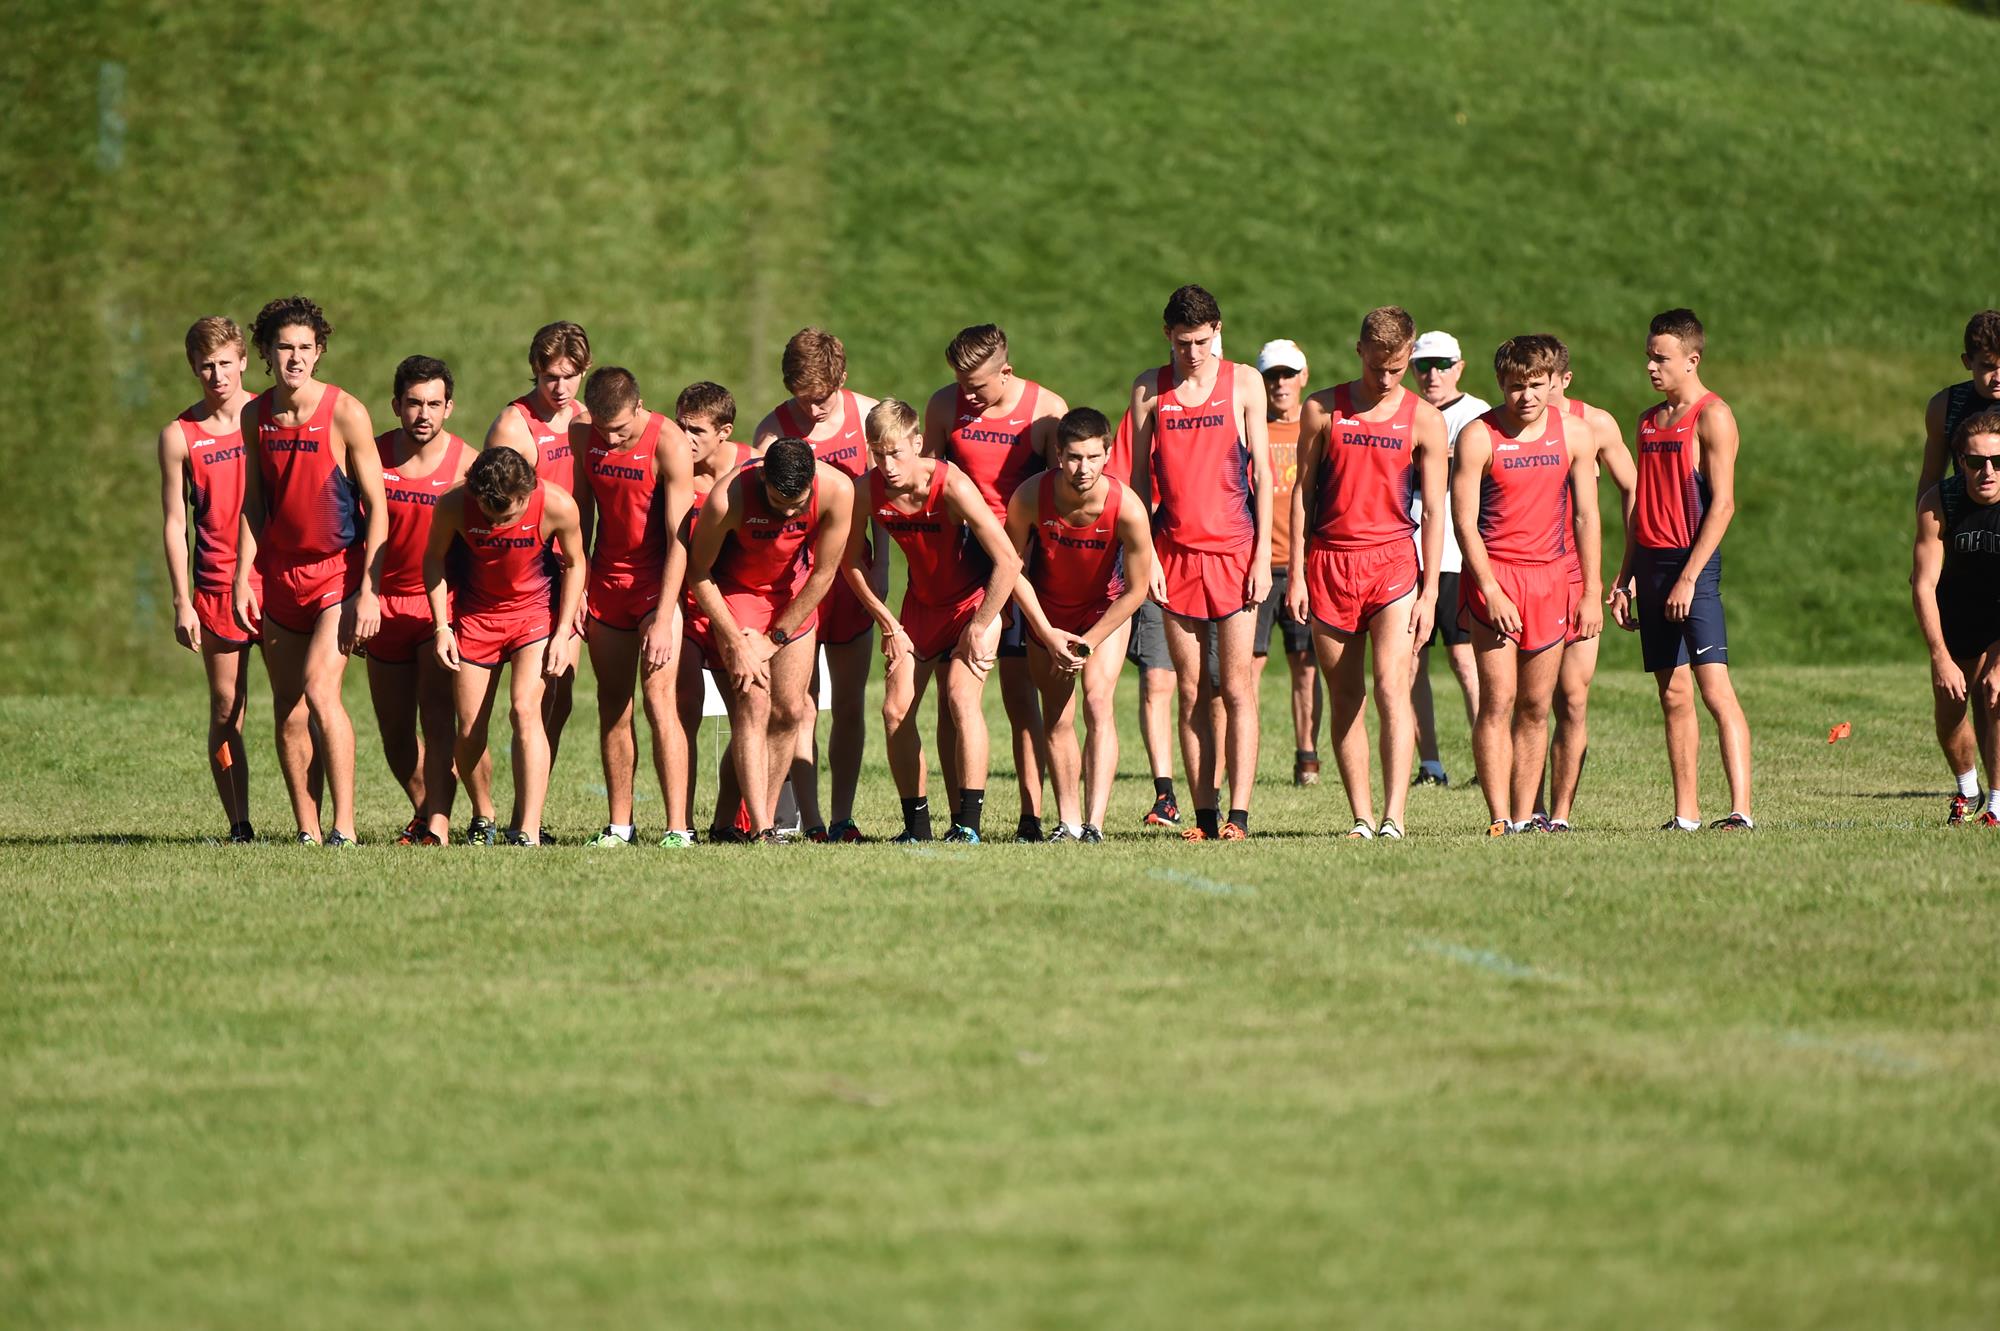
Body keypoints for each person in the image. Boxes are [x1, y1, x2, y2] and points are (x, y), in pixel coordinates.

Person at [1288, 307, 1448, 840]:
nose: (1385, 378)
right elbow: (1302, 493)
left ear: (1409, 356)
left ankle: (1393, 817)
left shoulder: (1424, 419)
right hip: (1330, 562)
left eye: (1397, 368)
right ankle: (1361, 816)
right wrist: (1296, 575)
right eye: (1377, 367)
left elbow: (1435, 511)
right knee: (1345, 694)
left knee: (1391, 688)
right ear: (1359, 351)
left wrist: (1430, 592)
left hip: (1393, 563)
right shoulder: (1322, 409)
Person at [234, 296, 386, 846]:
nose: (295, 358)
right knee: (288, 710)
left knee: (321, 690)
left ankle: (344, 827)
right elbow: (254, 503)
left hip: (337, 576)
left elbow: (379, 509)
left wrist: (370, 590)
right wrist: (243, 576)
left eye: (305, 347)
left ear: (319, 351)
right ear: (266, 353)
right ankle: (308, 830)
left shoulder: (346, 412)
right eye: (284, 348)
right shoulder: (255, 416)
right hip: (281, 579)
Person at [1130, 284, 1273, 841]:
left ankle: (1239, 816)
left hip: (1236, 554)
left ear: (1218, 331)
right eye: (1183, 342)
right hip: (1175, 557)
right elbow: (1138, 487)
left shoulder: (1245, 382)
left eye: (1202, 340)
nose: (1193, 353)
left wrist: (1262, 556)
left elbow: (1264, 476)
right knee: (1190, 691)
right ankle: (1204, 817)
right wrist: (1147, 559)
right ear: (1167, 335)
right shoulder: (1149, 389)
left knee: (1236, 688)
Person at [848, 399, 1021, 843]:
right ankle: (917, 827)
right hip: (919, 609)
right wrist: (888, 624)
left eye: (895, 452)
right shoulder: (866, 490)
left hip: (972, 604)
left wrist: (980, 626)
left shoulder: (952, 485)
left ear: (917, 443)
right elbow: (848, 562)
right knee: (894, 710)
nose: (887, 465)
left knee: (961, 699)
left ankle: (968, 825)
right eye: (877, 453)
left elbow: (1008, 560)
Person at [1453, 334, 1603, 836]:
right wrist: (1490, 589)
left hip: (1551, 579)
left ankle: (1525, 817)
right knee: (1498, 701)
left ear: (1553, 381)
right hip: (1496, 576)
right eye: (1517, 386)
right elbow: (1464, 522)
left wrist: (1590, 591)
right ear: (1501, 383)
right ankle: (1500, 817)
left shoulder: (1575, 434)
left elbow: (1586, 517)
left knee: (1537, 706)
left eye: (1537, 385)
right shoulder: (1478, 436)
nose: (1527, 396)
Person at [924, 324, 1069, 841]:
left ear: (1006, 371)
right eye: (960, 383)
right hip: (963, 564)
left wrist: (1026, 564)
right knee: (953, 695)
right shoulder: (944, 406)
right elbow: (930, 487)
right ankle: (958, 817)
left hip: (1024, 564)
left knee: (1019, 696)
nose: (967, 395)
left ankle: (1032, 817)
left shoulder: (1047, 411)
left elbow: (1058, 495)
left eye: (977, 386)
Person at [1611, 309, 1753, 831]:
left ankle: (1740, 812)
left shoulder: (1713, 416)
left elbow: (1723, 505)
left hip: (1692, 564)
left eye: (1661, 358)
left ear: (1692, 360)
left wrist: (1690, 577)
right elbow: (1641, 506)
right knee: (1672, 694)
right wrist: (1625, 576)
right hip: (1650, 565)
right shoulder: (1647, 420)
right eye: (1648, 357)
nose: (1651, 367)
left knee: (1714, 690)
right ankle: (1686, 815)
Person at [687, 437, 856, 839]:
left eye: (798, 504)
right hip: (739, 596)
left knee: (790, 712)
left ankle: (751, 817)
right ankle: (761, 827)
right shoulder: (728, 498)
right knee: (753, 705)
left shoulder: (838, 490)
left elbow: (824, 574)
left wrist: (775, 638)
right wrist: (735, 639)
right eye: (779, 503)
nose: (790, 513)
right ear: (763, 477)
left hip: (795, 596)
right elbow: (699, 573)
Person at [425, 446, 587, 846]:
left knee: (525, 710)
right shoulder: (452, 505)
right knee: (468, 731)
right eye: (490, 517)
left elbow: (575, 563)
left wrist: (562, 632)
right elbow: (434, 559)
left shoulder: (558, 505)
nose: (498, 524)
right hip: (477, 618)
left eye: (508, 516)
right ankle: (484, 814)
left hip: (534, 615)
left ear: (526, 494)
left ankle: (527, 830)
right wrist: (442, 627)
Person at [752, 329, 877, 840]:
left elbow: (880, 502)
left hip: (850, 578)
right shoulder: (772, 431)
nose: (813, 408)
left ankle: (842, 815)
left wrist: (880, 574)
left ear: (842, 378)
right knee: (800, 705)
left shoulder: (868, 417)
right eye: (802, 398)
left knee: (848, 704)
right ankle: (809, 819)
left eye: (822, 397)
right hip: (795, 585)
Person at [1008, 407, 1155, 842]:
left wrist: (1088, 642)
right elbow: (1011, 570)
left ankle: (1094, 823)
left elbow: (1136, 590)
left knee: (1097, 700)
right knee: (1057, 716)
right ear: (1058, 454)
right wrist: (1046, 632)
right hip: (1047, 615)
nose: (1083, 468)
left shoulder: (1127, 508)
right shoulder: (1030, 497)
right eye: (1074, 457)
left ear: (1107, 454)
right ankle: (1068, 823)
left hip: (1103, 613)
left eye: (1092, 457)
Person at [158, 316, 276, 842]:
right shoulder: (179, 435)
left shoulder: (269, 417)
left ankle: (314, 827)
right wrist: (181, 601)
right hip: (215, 588)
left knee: (300, 704)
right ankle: (239, 824)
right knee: (227, 709)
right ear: (193, 367)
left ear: (244, 361)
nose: (217, 374)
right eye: (206, 365)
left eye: (226, 363)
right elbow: (174, 522)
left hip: (275, 580)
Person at [575, 367, 694, 848]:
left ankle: (678, 829)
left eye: (621, 429)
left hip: (653, 588)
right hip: (606, 585)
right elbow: (581, 516)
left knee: (660, 703)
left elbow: (680, 539)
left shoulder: (669, 442)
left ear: (639, 406)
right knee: (612, 705)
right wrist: (579, 585)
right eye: (603, 429)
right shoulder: (584, 434)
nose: (611, 438)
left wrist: (665, 616)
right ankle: (619, 826)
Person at [485, 321, 593, 835]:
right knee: (522, 704)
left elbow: (590, 506)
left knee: (558, 698)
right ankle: (496, 816)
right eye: (551, 376)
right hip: (525, 577)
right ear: (535, 370)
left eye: (570, 376)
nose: (560, 387)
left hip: (570, 570)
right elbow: (499, 514)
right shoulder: (515, 426)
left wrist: (583, 576)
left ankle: (525, 818)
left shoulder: (586, 419)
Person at [368, 355, 476, 845]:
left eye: (434, 404)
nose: (423, 414)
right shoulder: (371, 456)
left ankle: (439, 825)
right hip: (382, 607)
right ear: (396, 405)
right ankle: (425, 809)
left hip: (438, 607)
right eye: (414, 403)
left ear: (449, 407)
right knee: (394, 731)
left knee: (437, 720)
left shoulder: (468, 465)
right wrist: (359, 598)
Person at [1539, 339, 1638, 830]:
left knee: (1573, 699)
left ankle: (1560, 815)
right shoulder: (1507, 424)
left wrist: (1628, 569)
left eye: (1546, 384)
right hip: (1526, 574)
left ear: (1565, 380)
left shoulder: (1594, 424)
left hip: (1578, 578)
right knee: (1527, 702)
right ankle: (1526, 809)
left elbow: (1634, 487)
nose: (1535, 395)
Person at [1918, 311, 2000, 818]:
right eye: (1988, 365)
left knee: (1995, 690)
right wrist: (1927, 544)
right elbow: (1930, 476)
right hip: (1965, 546)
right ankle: (1969, 788)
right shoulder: (1946, 407)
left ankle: (1997, 799)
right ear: (1967, 362)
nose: (1998, 375)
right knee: (1953, 699)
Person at [1404, 330, 1490, 788]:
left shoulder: (1477, 414)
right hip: (1408, 548)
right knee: (1410, 660)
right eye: (1423, 365)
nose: (1432, 374)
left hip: (1457, 552)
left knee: (1464, 658)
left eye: (1441, 365)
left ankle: (1487, 760)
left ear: (1459, 367)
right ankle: (1430, 765)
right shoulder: (1404, 410)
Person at [672, 381, 754, 842]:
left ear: (724, 431)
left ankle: (724, 822)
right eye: (680, 426)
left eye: (697, 431)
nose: (685, 439)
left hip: (732, 610)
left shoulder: (751, 469)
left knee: (749, 717)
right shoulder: (672, 469)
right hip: (684, 609)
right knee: (682, 713)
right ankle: (680, 826)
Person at [1114, 405, 1191, 829]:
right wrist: (1150, 559)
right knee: (1159, 679)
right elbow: (1122, 486)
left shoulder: (1231, 403)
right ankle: (1166, 796)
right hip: (1154, 562)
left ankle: (1213, 795)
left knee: (1210, 687)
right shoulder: (1147, 411)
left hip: (1216, 562)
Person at [1254, 338, 1324, 787]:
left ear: (1304, 377)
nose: (1280, 384)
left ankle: (1308, 758)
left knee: (1305, 664)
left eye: (1287, 374)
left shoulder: (1316, 429)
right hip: (1258, 567)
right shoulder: (1251, 429)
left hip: (1304, 566)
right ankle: (1241, 756)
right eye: (1272, 376)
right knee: (1249, 667)